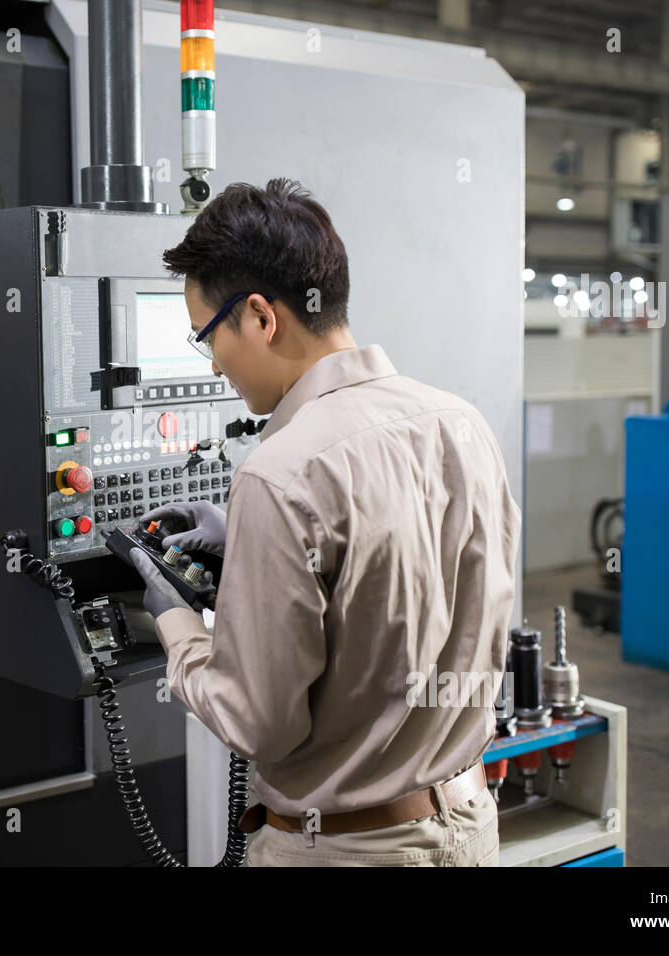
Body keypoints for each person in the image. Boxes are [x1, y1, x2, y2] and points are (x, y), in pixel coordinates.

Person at [128, 178, 521, 866]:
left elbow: (258, 722)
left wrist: (175, 622)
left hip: (349, 851)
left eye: (206, 335)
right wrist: (249, 543)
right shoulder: (461, 423)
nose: (214, 362)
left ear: (258, 316)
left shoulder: (281, 472)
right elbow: (398, 576)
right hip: (469, 825)